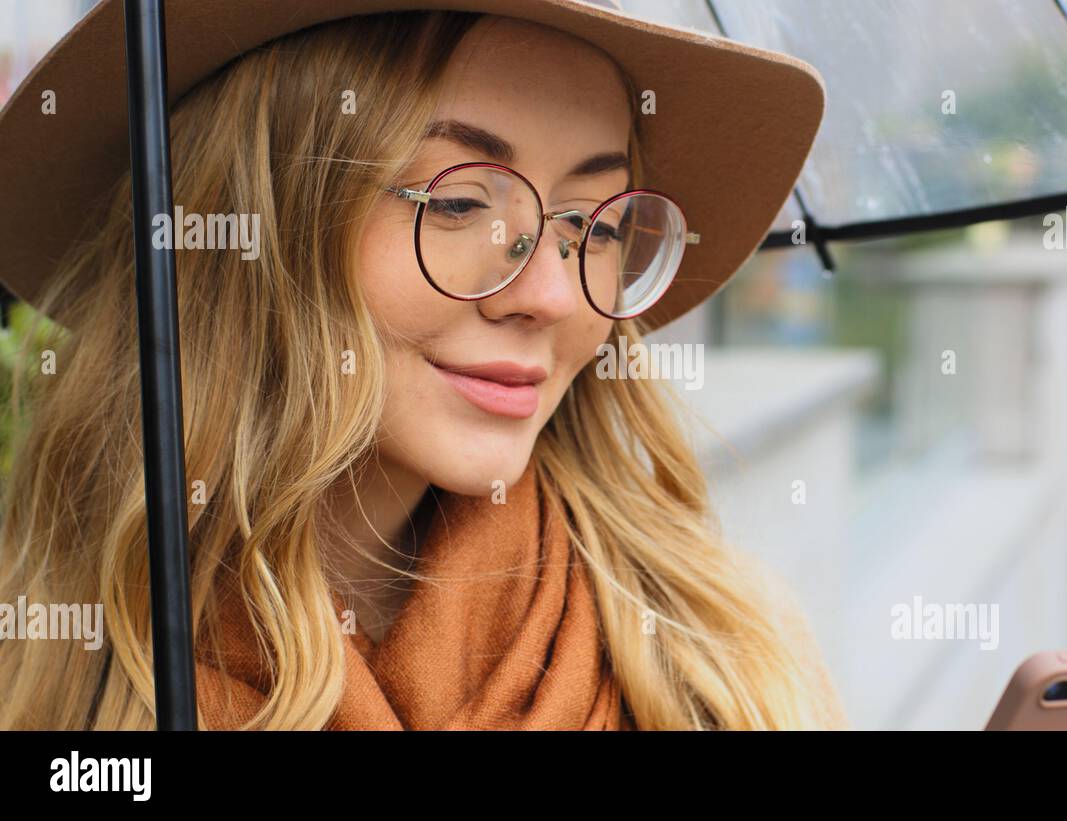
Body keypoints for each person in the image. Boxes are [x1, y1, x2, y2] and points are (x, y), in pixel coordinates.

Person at [0, 0, 845, 729]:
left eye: (598, 226)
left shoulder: (716, 665)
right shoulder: (47, 671)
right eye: (458, 202)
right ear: (250, 226)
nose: (549, 294)